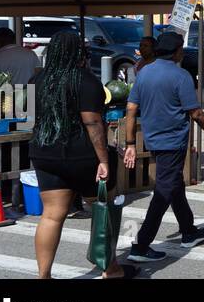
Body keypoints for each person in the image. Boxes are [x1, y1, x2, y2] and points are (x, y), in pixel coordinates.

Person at [29, 31, 135, 279]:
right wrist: (104, 160)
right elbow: (92, 123)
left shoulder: (38, 80)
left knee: (52, 215)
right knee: (103, 208)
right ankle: (111, 269)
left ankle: (43, 275)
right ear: (79, 52)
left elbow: (35, 118)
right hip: (81, 156)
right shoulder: (85, 80)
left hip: (45, 153)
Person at [122, 31, 204, 262]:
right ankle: (141, 245)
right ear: (177, 52)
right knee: (164, 191)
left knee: (174, 184)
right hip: (172, 142)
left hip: (154, 140)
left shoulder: (144, 72)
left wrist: (129, 142)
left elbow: (130, 108)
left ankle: (188, 231)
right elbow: (196, 112)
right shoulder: (181, 76)